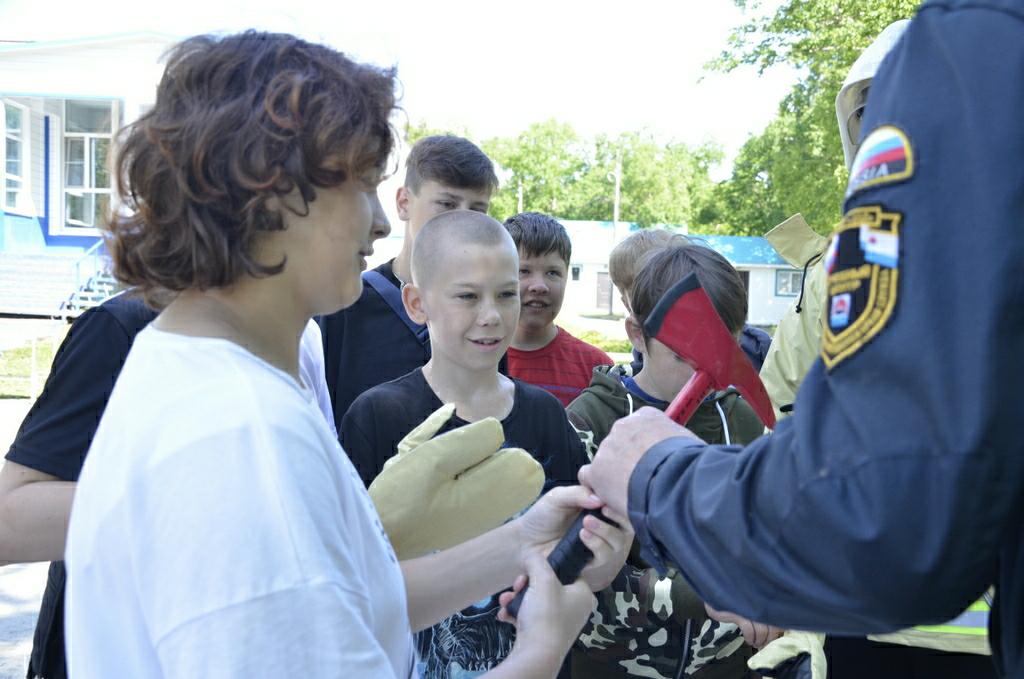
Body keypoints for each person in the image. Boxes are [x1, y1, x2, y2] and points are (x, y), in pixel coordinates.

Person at [63, 31, 630, 679]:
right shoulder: (238, 432)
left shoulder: (208, 368)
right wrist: (540, 651)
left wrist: (523, 539)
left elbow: (344, 605)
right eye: (360, 186)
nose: (382, 223)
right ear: (267, 192)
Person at [580, 2, 1022, 677]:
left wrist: (661, 475)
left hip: (899, 611)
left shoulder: (981, 42)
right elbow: (795, 422)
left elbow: (876, 510)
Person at [0, 291, 334, 679]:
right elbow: (10, 522)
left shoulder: (305, 334)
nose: (378, 228)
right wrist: (204, 492)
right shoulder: (126, 325)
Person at [340, 210, 591, 677]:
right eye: (467, 297)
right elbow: (353, 574)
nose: (491, 316)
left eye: (505, 294)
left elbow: (581, 553)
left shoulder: (545, 417)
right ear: (417, 303)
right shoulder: (378, 415)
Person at [567, 244, 764, 679]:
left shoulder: (743, 421)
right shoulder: (591, 422)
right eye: (682, 355)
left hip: (726, 669)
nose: (707, 372)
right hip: (611, 666)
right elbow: (575, 570)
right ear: (637, 333)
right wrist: (708, 594)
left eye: (722, 350)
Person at [319, 134, 497, 425]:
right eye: (447, 204)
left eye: (477, 210)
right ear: (403, 203)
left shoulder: (488, 314)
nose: (462, 221)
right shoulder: (344, 304)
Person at [608, 229, 770, 374]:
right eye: (639, 291)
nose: (652, 298)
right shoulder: (638, 369)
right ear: (627, 304)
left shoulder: (756, 348)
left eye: (668, 284)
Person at [503, 212, 612, 406]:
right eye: (523, 271)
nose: (539, 286)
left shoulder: (597, 369)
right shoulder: (473, 362)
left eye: (553, 273)